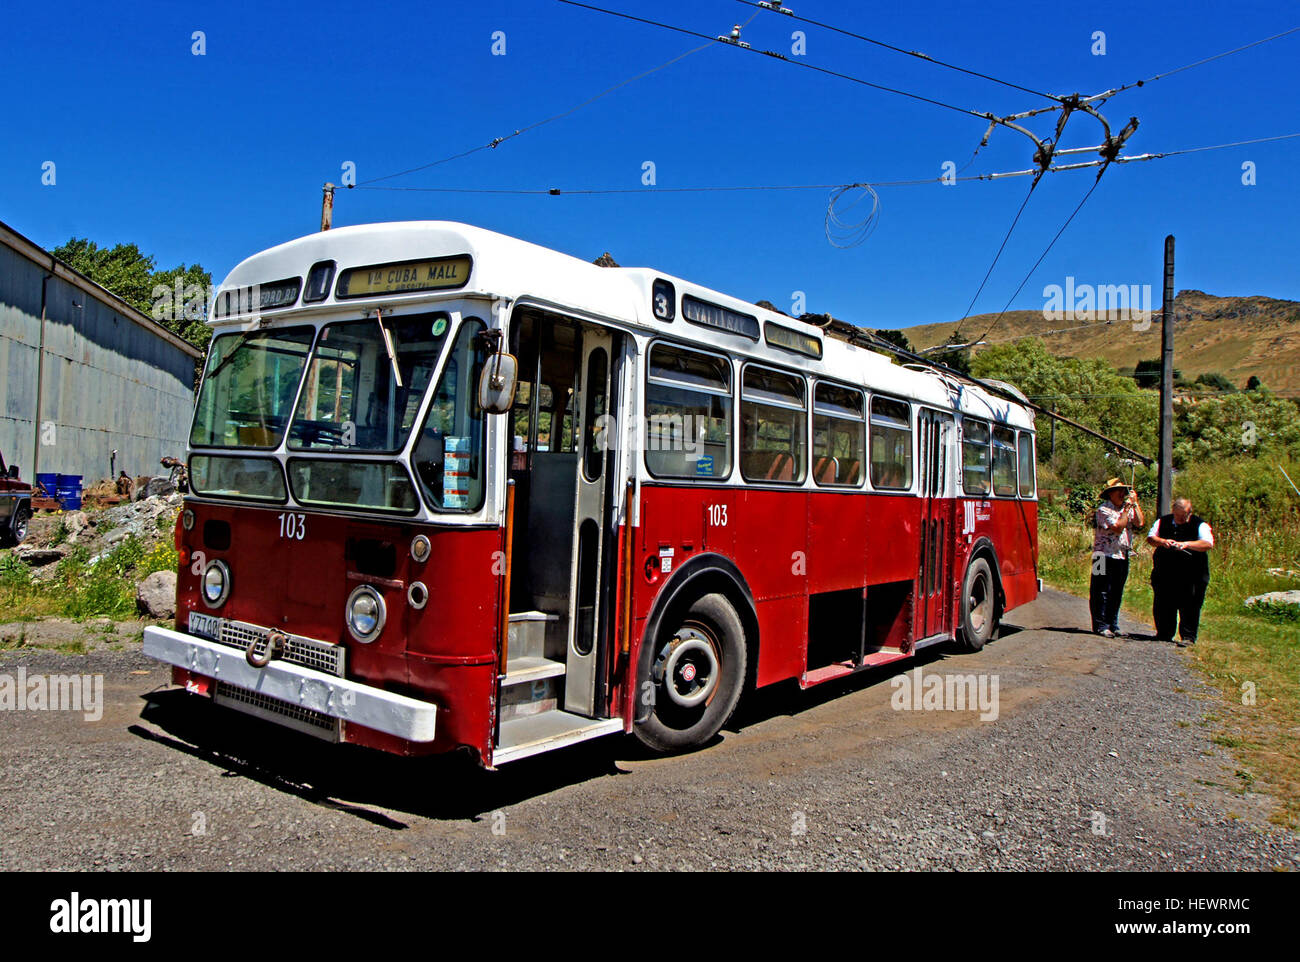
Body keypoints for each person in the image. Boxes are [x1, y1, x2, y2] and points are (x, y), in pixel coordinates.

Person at [1146, 496, 1214, 646]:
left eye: (1185, 515)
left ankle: (1188, 637)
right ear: (1174, 511)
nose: (1183, 519)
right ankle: (1164, 633)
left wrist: (1186, 544)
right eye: (1179, 516)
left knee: (1191, 605)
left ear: (1190, 512)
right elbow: (1151, 538)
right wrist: (1163, 542)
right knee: (1163, 602)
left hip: (1192, 574)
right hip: (1165, 572)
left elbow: (1208, 543)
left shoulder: (1200, 524)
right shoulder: (1162, 521)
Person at [1090, 477, 1145, 638]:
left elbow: (1140, 522)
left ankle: (1112, 623)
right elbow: (1117, 528)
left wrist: (1135, 504)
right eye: (1119, 491)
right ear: (1110, 494)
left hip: (1121, 555)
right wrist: (1126, 511)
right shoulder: (1104, 510)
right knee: (1100, 590)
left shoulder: (1127, 509)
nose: (1122, 494)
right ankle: (1100, 625)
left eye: (1124, 492)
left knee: (1116, 591)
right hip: (1102, 555)